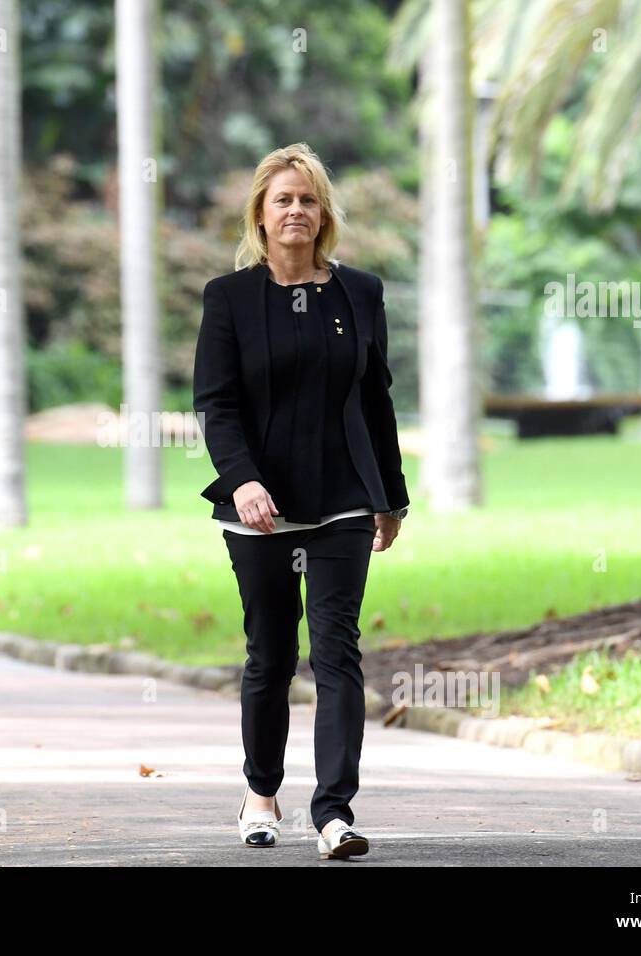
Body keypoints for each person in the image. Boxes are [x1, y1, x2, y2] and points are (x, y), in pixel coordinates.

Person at [192, 143, 410, 860]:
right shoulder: (229, 298)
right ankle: (261, 794)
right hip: (259, 503)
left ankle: (333, 815)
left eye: (308, 199)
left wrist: (391, 496)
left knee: (337, 650)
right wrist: (245, 480)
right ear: (260, 212)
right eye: (282, 199)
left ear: (324, 214)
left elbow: (375, 399)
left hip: (345, 494)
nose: (296, 211)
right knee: (271, 653)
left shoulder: (360, 293)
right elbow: (216, 405)